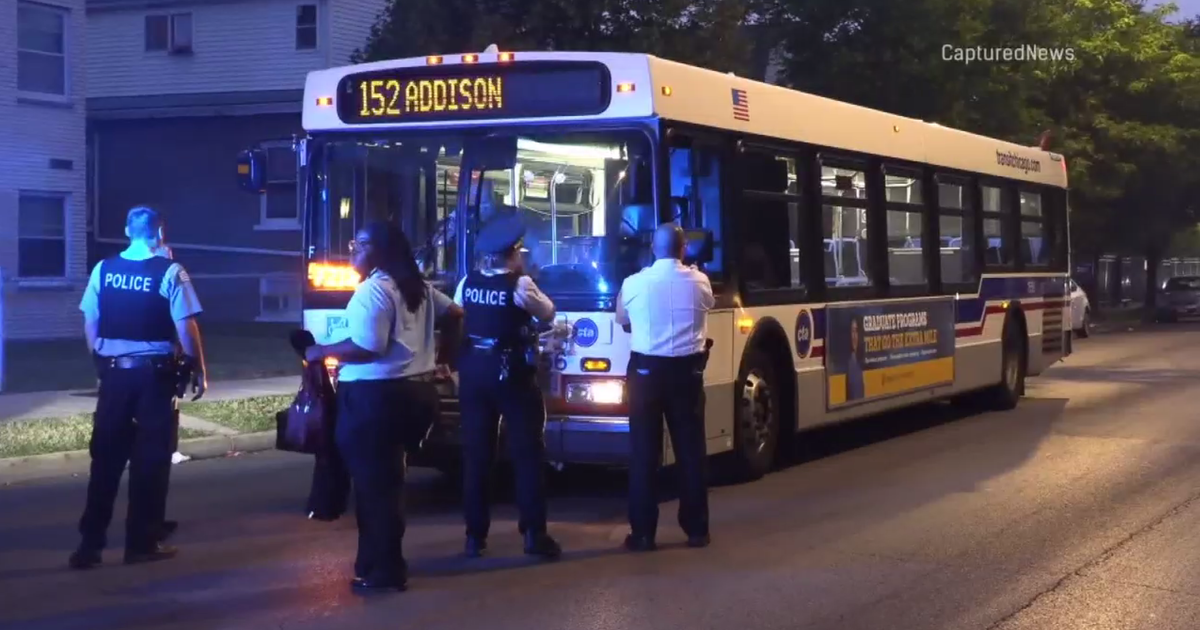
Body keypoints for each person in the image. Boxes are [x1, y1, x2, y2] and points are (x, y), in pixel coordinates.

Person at [305, 221, 461, 593]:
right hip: (416, 396)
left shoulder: (373, 291)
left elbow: (368, 346)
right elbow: (456, 315)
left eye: (360, 244)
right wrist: (443, 358)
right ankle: (371, 563)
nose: (352, 251)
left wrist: (322, 350)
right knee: (388, 484)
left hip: (375, 400)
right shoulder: (418, 287)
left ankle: (385, 571)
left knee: (375, 489)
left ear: (381, 250)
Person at [70, 207, 207, 570]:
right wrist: (198, 370)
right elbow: (186, 328)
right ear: (159, 231)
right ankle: (141, 543)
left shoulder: (104, 269)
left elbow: (91, 321)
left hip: (114, 375)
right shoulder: (171, 271)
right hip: (153, 379)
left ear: (127, 230)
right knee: (150, 462)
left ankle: (90, 546)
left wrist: (101, 363)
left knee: (105, 462)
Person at [453, 214, 562, 560]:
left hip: (473, 371)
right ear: (513, 253)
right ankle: (533, 534)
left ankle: (474, 536)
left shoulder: (467, 282)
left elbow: (458, 315)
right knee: (527, 454)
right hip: (510, 372)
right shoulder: (520, 285)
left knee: (477, 455)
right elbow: (547, 313)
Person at [616, 222, 715, 552]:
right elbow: (708, 305)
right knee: (690, 452)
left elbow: (621, 318)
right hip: (686, 374)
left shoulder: (633, 283)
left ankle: (643, 534)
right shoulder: (700, 281)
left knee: (644, 453)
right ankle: (697, 530)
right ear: (683, 248)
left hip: (645, 373)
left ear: (652, 248)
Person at [846, 316, 865, 401]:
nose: (854, 336)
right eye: (852, 331)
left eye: (856, 331)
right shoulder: (848, 363)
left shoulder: (862, 361)